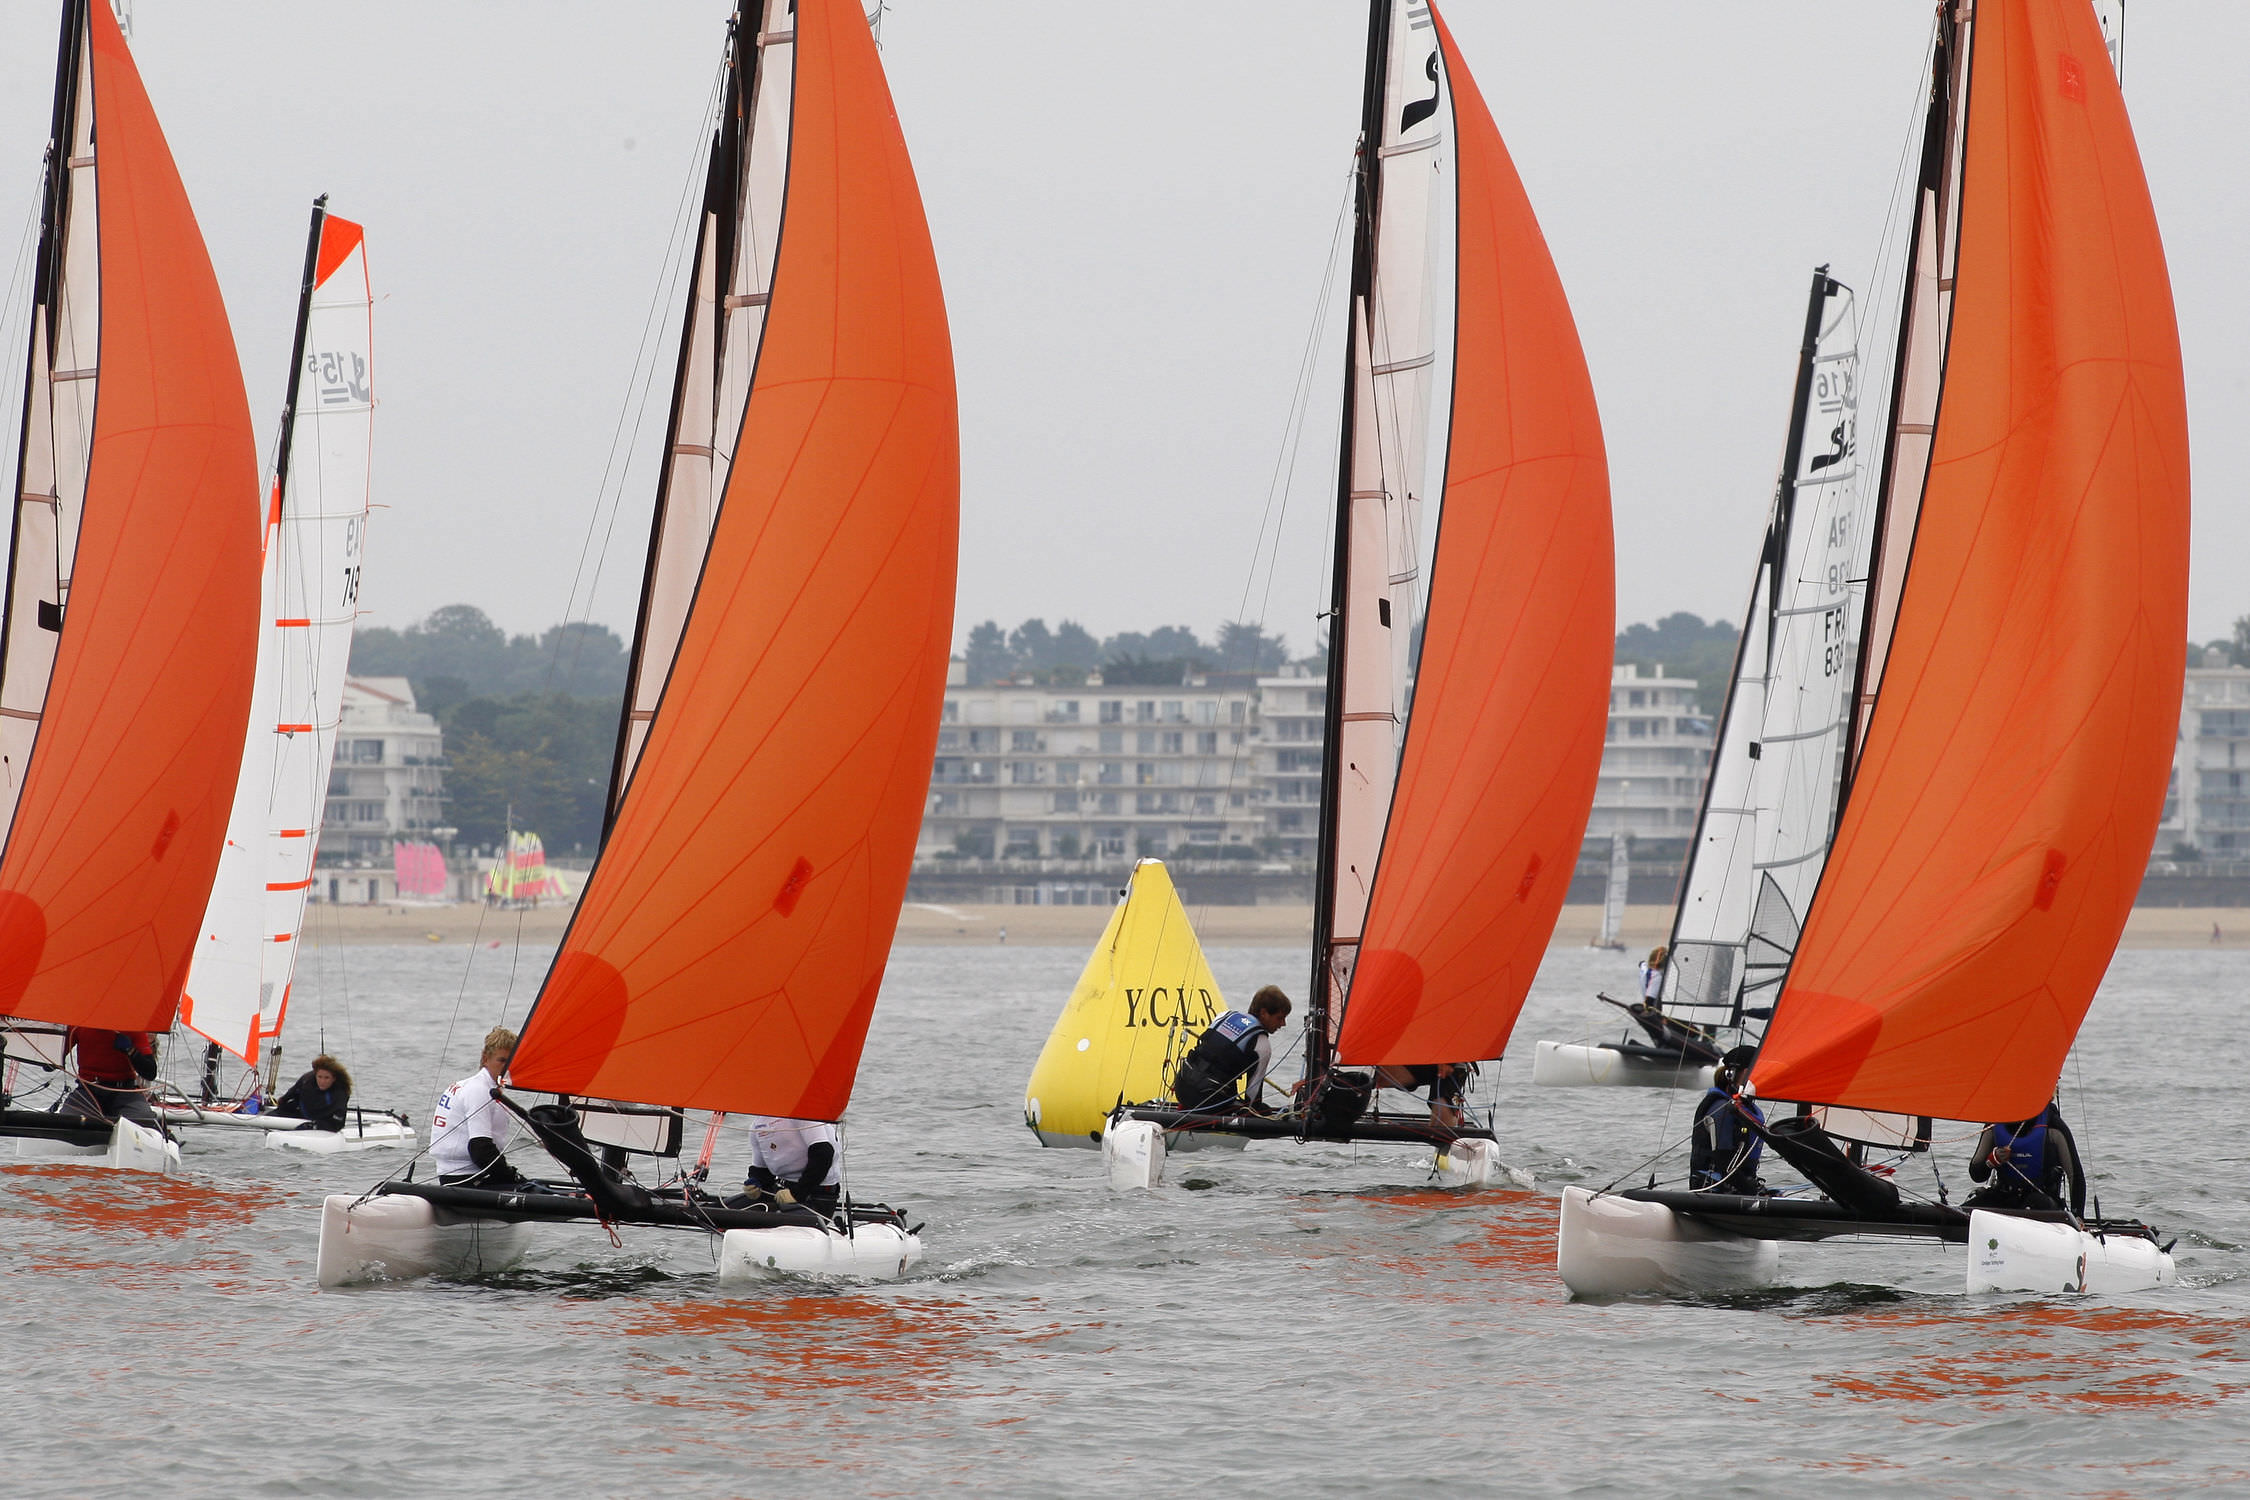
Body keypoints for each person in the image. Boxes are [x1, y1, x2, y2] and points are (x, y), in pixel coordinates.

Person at [1170, 985, 1291, 1115]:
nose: (1283, 1024)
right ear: (1263, 1013)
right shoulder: (1262, 1044)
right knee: (1258, 1110)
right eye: (1280, 1018)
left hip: (1181, 1087)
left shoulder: (1224, 1015)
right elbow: (1252, 1099)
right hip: (1209, 1100)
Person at [430, 1028, 527, 1187]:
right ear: (485, 1058)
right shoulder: (479, 1090)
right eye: (501, 1061)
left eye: (510, 1062)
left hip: (462, 1175)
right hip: (466, 1180)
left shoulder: (470, 1085)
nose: (506, 1068)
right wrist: (511, 1176)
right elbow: (480, 1149)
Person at [1965, 1100, 2086, 1216]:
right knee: (1964, 1212)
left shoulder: (2054, 1126)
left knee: (2033, 1203)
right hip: (2004, 1196)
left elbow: (2075, 1176)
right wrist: (1992, 1161)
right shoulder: (1995, 1124)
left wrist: (2077, 1216)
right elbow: (1976, 1175)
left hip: (2041, 1201)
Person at [1689, 1045, 1765, 1194]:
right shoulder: (1722, 1108)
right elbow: (1723, 1161)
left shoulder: (1747, 1109)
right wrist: (1750, 1191)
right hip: (1714, 1190)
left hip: (1739, 1187)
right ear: (1740, 1074)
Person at [731, 1115, 842, 1213]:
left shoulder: (804, 1115)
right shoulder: (758, 1124)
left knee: (763, 1223)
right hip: (782, 1191)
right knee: (722, 1210)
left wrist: (798, 1193)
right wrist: (755, 1184)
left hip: (816, 1196)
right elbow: (762, 1170)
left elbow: (823, 1154)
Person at [59, 1027, 159, 1126]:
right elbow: (54, 1059)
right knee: (67, 1120)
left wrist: (131, 1050)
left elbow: (150, 1073)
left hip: (124, 1091)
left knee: (144, 1120)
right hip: (88, 1090)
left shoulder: (131, 1027)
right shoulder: (79, 1025)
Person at [1372, 1062, 1476, 1129]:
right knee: (1377, 1077)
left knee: (1442, 1121)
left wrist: (1449, 1058)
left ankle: (1449, 1148)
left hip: (1452, 1060)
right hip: (1415, 1054)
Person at [270, 1055, 353, 1133]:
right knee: (273, 1115)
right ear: (315, 1075)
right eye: (319, 1077)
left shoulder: (340, 1092)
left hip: (325, 1120)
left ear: (334, 1078)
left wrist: (315, 1126)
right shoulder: (307, 1080)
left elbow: (338, 1124)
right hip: (303, 1113)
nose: (322, 1081)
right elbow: (288, 1097)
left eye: (327, 1078)